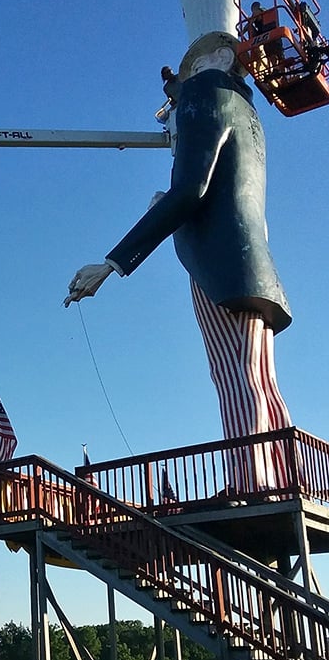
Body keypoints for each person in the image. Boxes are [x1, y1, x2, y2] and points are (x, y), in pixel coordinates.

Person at [65, 32, 293, 496]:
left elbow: (190, 190)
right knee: (260, 377)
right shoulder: (249, 115)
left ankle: (251, 481)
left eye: (195, 62)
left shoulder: (204, 92)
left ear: (221, 57)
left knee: (234, 375)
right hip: (257, 263)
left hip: (220, 264)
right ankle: (282, 476)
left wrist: (111, 264)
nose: (185, 75)